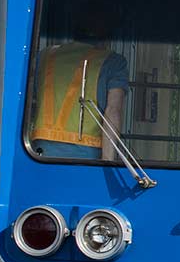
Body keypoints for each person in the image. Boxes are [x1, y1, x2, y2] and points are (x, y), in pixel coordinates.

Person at [30, 19, 130, 162]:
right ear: (107, 37)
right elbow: (113, 110)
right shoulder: (114, 62)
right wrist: (107, 162)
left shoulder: (45, 56)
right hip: (86, 155)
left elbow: (28, 102)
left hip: (40, 152)